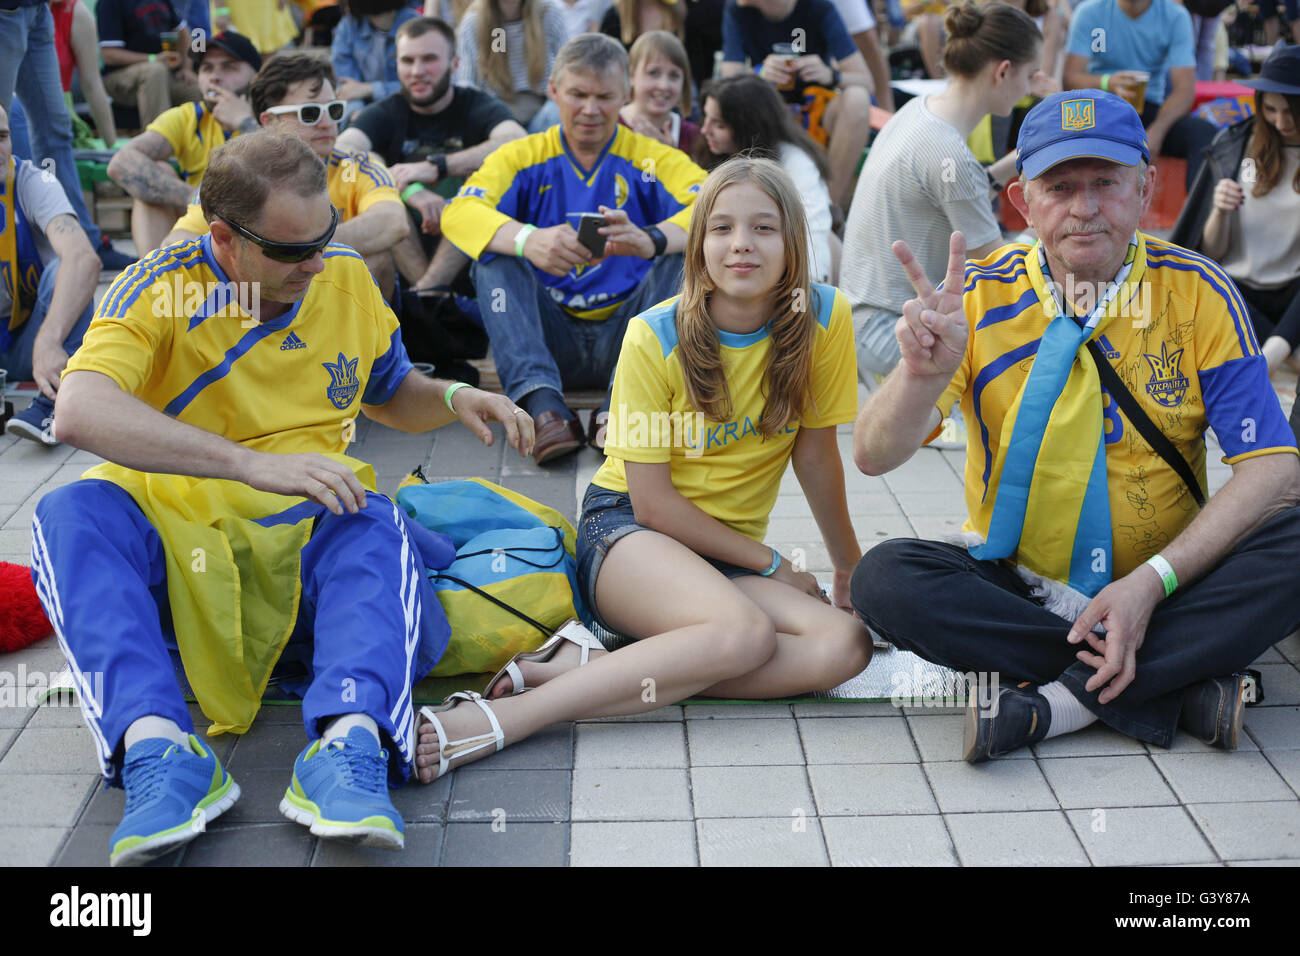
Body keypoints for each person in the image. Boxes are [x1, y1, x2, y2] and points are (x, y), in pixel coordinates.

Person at [31, 131, 534, 866]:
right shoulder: (161, 283)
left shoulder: (343, 278)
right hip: (186, 557)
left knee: (373, 521)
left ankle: (349, 747)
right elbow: (77, 410)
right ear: (225, 240)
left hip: (302, 545)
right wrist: (246, 465)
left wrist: (456, 396)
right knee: (68, 515)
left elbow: (390, 393)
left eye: (326, 238)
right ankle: (157, 752)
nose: (317, 264)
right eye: (291, 251)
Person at [850, 90, 1300, 763]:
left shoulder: (1198, 291)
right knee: (884, 579)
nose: (1085, 208)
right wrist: (917, 375)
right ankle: (1174, 686)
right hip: (1022, 581)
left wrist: (1151, 582)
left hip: (1171, 577)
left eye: (1106, 183)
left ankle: (1055, 703)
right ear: (1024, 202)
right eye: (1060, 187)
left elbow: (1272, 466)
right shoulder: (977, 294)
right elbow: (874, 455)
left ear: (1146, 188)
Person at [412, 156, 871, 782]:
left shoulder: (825, 317)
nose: (742, 245)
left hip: (723, 554)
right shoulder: (654, 336)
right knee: (745, 635)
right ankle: (507, 720)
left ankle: (609, 663)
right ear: (698, 243)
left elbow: (815, 455)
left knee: (844, 647)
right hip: (631, 533)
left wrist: (849, 567)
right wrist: (775, 565)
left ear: (794, 241)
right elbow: (652, 505)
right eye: (722, 228)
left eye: (764, 229)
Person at [440, 33, 706, 463]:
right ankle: (543, 406)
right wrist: (530, 241)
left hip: (630, 335)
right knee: (493, 257)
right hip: (549, 336)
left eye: (604, 96)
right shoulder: (524, 155)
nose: (590, 109)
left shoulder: (650, 159)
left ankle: (622, 405)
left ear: (625, 96)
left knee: (681, 256)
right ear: (554, 91)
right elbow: (459, 212)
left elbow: (714, 204)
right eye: (578, 94)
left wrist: (650, 239)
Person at [841, 0, 1042, 425]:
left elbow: (954, 188)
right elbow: (1001, 273)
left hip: (864, 320)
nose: (1030, 89)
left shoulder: (918, 111)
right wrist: (1046, 225)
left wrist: (1021, 159)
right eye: (1028, 75)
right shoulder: (950, 153)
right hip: (893, 336)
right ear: (1003, 71)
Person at [164, 54, 409, 297]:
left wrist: (300, 249)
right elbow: (178, 244)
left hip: (336, 307)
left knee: (375, 257)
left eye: (334, 110)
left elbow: (393, 222)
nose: (327, 123)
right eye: (310, 113)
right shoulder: (237, 175)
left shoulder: (353, 166)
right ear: (269, 121)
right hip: (256, 308)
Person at [337, 15, 528, 295]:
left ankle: (426, 292)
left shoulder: (474, 104)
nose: (417, 71)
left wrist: (439, 166)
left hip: (466, 246)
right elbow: (344, 150)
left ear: (455, 64)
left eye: (429, 59)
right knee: (384, 203)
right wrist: (407, 189)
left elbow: (517, 140)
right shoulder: (387, 111)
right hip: (407, 244)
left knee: (483, 188)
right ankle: (429, 295)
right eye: (407, 61)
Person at [1171, 44, 1300, 373]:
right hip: (1240, 290)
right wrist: (1219, 211)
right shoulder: (1244, 147)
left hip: (1291, 295)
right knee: (1211, 290)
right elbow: (1212, 251)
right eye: (1271, 109)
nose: (1281, 122)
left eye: (1292, 112)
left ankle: (1269, 355)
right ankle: (1283, 350)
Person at [0, 0, 132, 271]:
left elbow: (92, 83)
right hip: (7, 11)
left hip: (37, 11)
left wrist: (112, 145)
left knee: (56, 130)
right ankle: (8, 246)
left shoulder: (73, 12)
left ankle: (84, 240)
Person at [106, 30, 262, 255]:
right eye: (207, 68)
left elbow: (288, 170)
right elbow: (120, 163)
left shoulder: (271, 116)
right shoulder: (188, 116)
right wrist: (198, 199)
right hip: (198, 222)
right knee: (157, 175)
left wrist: (245, 122)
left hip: (254, 230)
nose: (215, 77)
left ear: (256, 77)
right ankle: (155, 282)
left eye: (229, 67)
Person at [0, 103, 99, 446]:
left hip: (29, 341)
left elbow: (84, 259)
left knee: (67, 270)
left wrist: (49, 340)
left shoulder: (35, 179)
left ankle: (52, 406)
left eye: (1, 137)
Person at [720, 0, 874, 208]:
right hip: (768, 113)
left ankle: (828, 207)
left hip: (816, 110)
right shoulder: (737, 10)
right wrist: (760, 73)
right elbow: (728, 81)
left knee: (857, 98)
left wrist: (830, 75)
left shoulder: (818, 7)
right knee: (732, 104)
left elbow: (865, 81)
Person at [696, 74, 836, 283]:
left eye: (719, 125)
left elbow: (813, 225)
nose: (704, 130)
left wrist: (806, 289)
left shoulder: (796, 163)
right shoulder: (713, 154)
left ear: (748, 127)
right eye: (705, 118)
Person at [1063, 0, 1217, 190]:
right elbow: (1070, 78)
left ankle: (1202, 218)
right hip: (1099, 108)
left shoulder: (1175, 16)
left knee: (1204, 134)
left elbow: (1185, 89)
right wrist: (1108, 82)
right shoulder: (1090, 11)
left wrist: (1157, 130)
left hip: (1148, 109)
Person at [454, 0, 569, 130]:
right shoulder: (475, 21)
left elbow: (567, 64)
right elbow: (465, 81)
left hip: (542, 106)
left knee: (559, 110)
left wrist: (559, 85)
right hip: (497, 111)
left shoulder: (548, 12)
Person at [96, 0, 201, 127]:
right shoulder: (109, 3)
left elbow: (184, 33)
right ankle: (156, 142)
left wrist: (187, 68)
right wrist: (153, 59)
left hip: (163, 74)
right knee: (155, 71)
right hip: (119, 78)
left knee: (197, 88)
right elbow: (109, 55)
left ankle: (199, 144)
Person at [331, 0, 421, 118]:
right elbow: (347, 88)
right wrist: (358, 117)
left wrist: (370, 89)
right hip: (361, 113)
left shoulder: (416, 26)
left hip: (406, 113)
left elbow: (418, 87)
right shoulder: (349, 25)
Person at [619, 30, 700, 155]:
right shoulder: (610, 126)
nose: (664, 86)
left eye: (674, 75)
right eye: (653, 73)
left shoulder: (693, 137)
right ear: (631, 75)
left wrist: (669, 155)